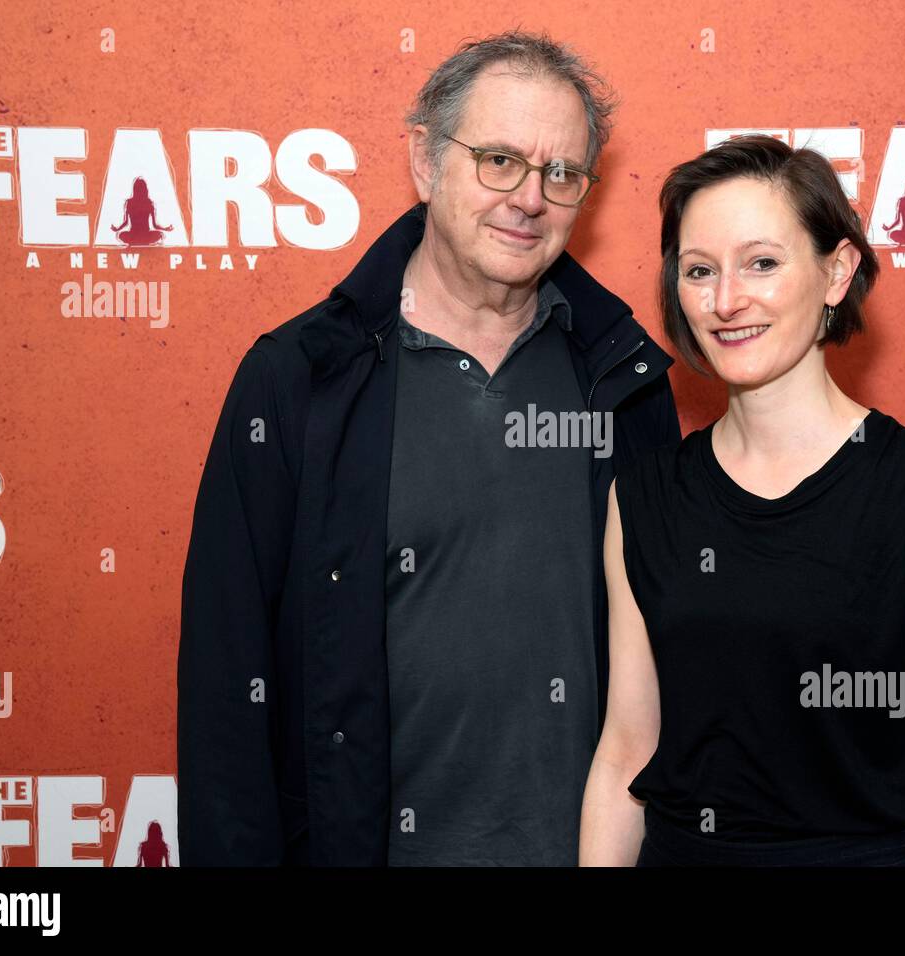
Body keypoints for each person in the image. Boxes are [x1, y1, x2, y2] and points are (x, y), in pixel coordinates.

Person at [176, 30, 680, 866]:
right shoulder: (299, 379)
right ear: (423, 161)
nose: (529, 199)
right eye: (499, 160)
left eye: (561, 174)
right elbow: (227, 684)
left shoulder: (623, 382)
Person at [579, 134, 905, 867]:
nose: (725, 301)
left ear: (837, 270)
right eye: (699, 271)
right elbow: (625, 755)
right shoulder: (644, 494)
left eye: (762, 263)